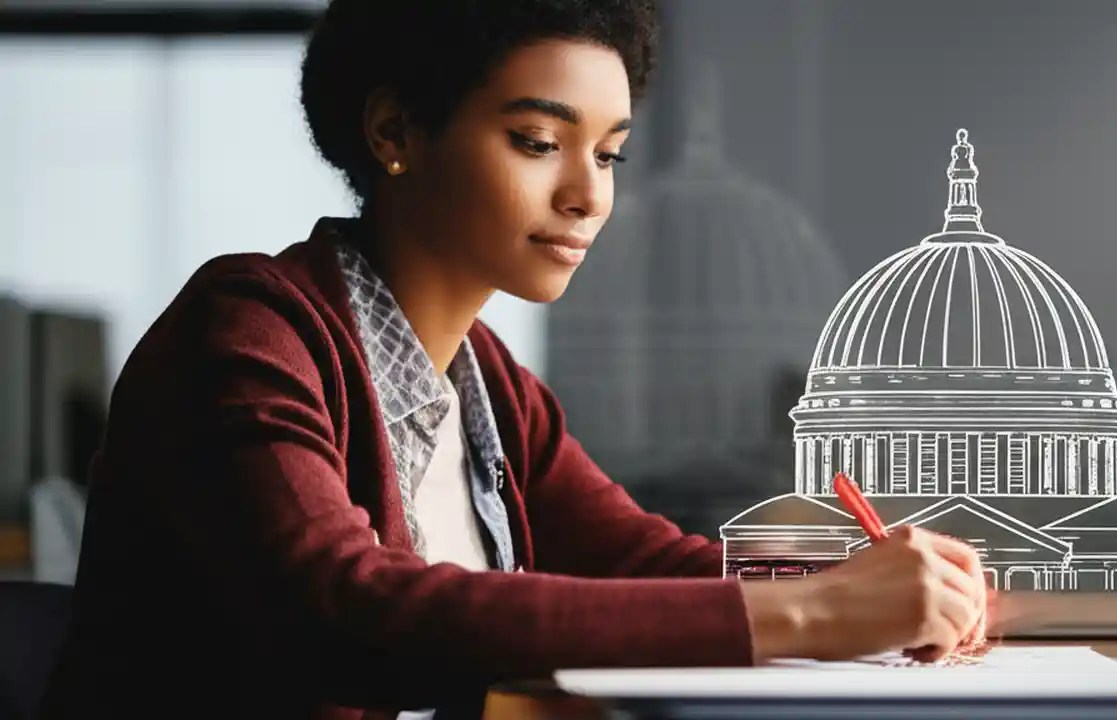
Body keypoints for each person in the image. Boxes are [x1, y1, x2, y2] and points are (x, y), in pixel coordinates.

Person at [38, 1, 991, 718]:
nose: (589, 196)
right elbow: (344, 609)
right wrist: (820, 613)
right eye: (539, 141)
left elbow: (646, 565)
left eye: (609, 154)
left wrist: (891, 585)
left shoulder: (490, 385)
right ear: (394, 132)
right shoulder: (247, 332)